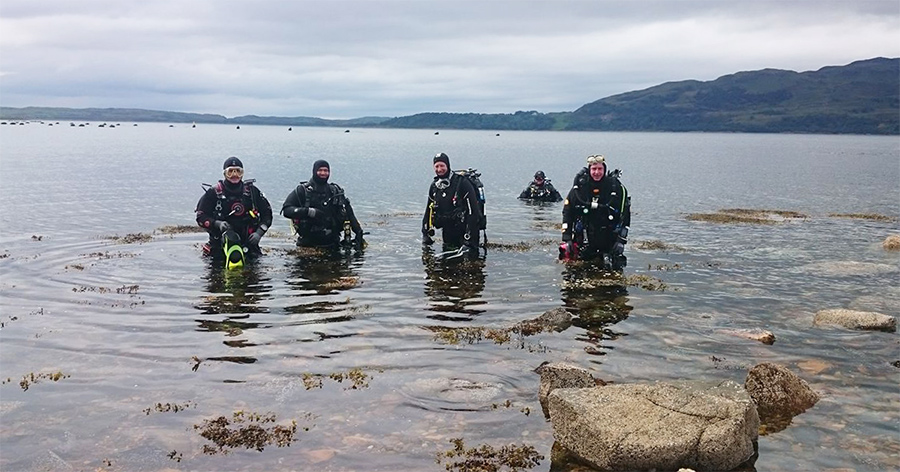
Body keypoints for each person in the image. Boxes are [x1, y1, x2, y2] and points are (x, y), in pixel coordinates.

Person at [195, 156, 273, 268]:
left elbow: (267, 214)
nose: (234, 175)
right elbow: (200, 217)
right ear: (224, 173)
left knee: (253, 275)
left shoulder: (252, 192)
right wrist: (217, 224)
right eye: (230, 171)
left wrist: (259, 233)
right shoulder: (213, 193)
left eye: (238, 171)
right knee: (217, 275)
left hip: (249, 244)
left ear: (242, 173)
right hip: (219, 246)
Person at [560, 154, 631, 270]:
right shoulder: (579, 189)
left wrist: (621, 240)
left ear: (604, 170)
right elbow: (567, 213)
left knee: (614, 273)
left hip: (609, 240)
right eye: (594, 169)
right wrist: (567, 238)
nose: (597, 172)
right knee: (575, 273)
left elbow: (625, 215)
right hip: (584, 238)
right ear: (589, 170)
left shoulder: (616, 188)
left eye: (599, 169)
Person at [281, 159, 364, 249]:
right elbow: (286, 210)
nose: (323, 173)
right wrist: (309, 212)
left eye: (326, 170)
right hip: (307, 244)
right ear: (314, 171)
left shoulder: (334, 191)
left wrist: (358, 231)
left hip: (333, 243)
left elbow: (349, 213)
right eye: (320, 170)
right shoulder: (303, 190)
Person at [422, 152, 482, 253]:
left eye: (442, 166)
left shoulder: (462, 183)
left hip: (466, 231)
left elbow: (473, 212)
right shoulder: (435, 186)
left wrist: (469, 238)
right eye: (436, 166)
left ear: (448, 165)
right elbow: (428, 210)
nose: (439, 169)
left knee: (470, 261)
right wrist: (425, 234)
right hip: (448, 231)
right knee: (447, 259)